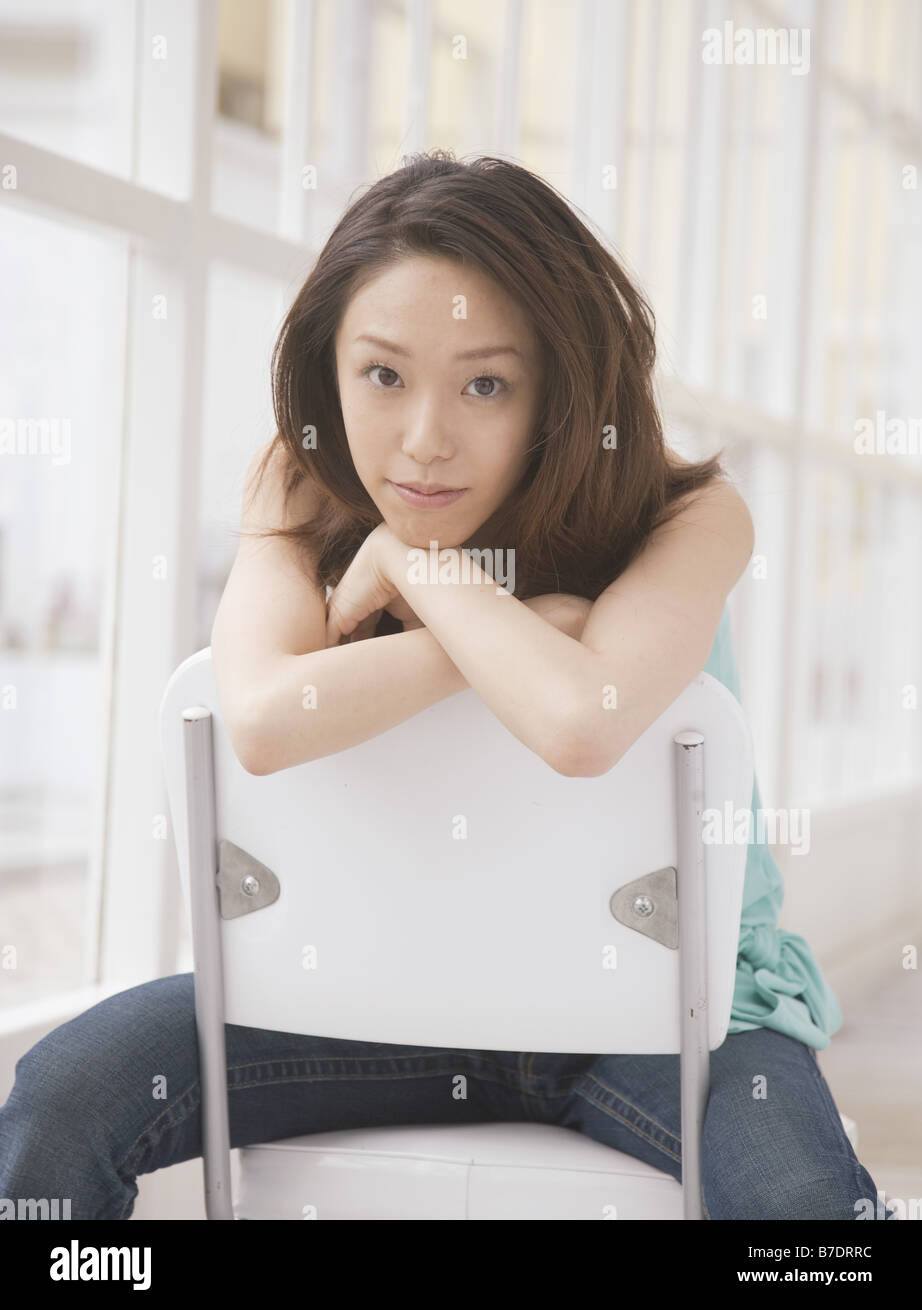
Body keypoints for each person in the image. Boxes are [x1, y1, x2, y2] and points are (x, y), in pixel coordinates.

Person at [0, 151, 882, 1221]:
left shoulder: (688, 518)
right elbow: (267, 717)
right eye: (382, 375)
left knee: (805, 1211)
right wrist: (513, 631)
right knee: (64, 1098)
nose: (422, 440)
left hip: (663, 1017)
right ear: (330, 368)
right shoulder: (294, 482)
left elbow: (578, 721)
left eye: (485, 383)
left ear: (560, 391)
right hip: (360, 995)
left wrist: (417, 567)